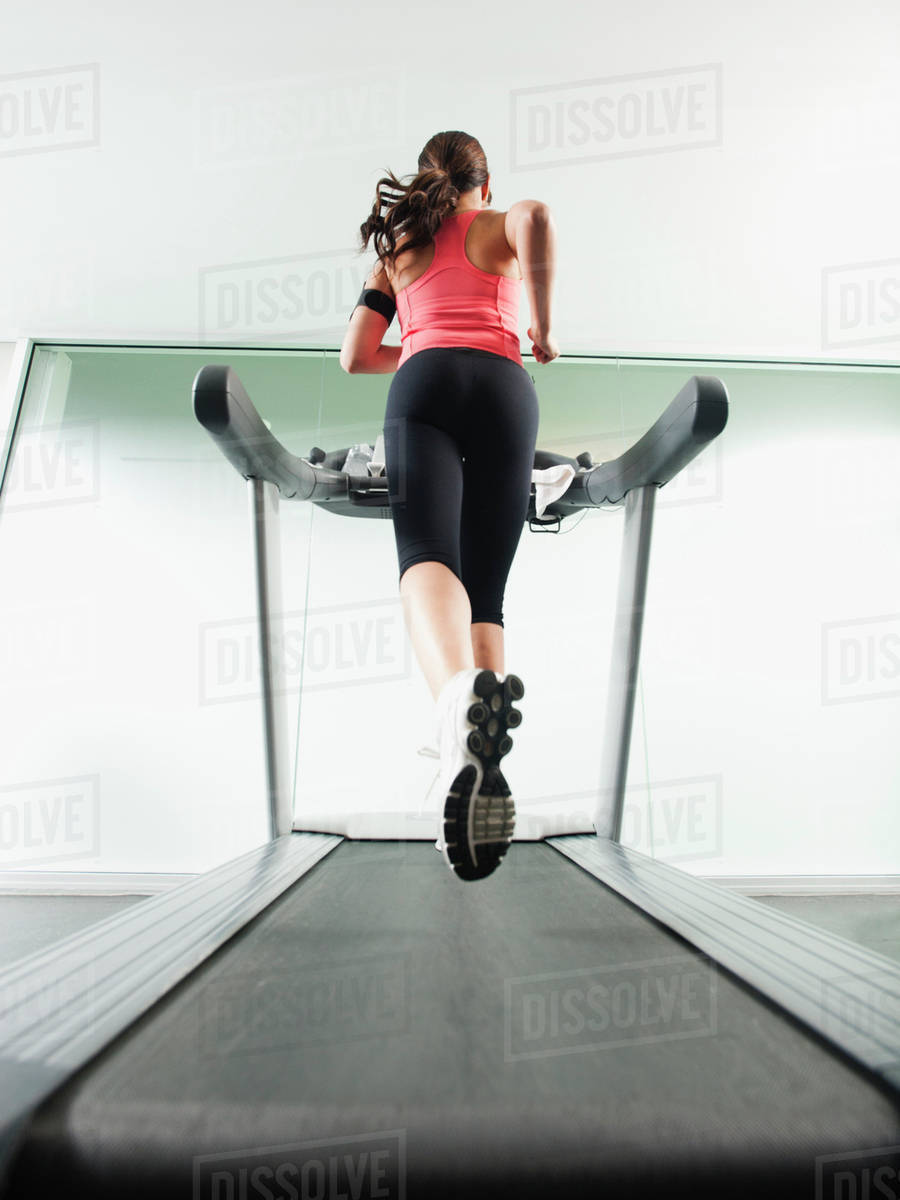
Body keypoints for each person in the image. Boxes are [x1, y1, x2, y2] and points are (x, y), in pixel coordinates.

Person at [340, 130, 559, 882]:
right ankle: (483, 740)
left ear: (430, 180)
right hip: (504, 389)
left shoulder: (399, 246)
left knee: (426, 556)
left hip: (425, 385)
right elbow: (535, 216)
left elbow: (355, 356)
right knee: (487, 590)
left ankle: (456, 711)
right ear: (483, 183)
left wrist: (428, 341)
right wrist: (542, 325)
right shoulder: (494, 226)